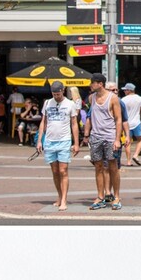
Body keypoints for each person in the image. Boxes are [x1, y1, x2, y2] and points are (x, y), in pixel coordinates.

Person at [35, 81, 80, 211]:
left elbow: (74, 124)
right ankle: (59, 196)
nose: (56, 96)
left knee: (63, 170)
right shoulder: (47, 103)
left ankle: (64, 200)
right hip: (49, 140)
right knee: (55, 171)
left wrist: (76, 143)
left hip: (64, 140)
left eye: (58, 94)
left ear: (63, 90)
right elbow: (43, 121)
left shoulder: (70, 104)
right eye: (54, 94)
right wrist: (39, 141)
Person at [83, 73, 123, 210]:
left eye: (92, 82)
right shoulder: (91, 98)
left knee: (113, 167)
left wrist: (117, 139)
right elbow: (90, 116)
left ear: (100, 84)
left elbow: (118, 119)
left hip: (110, 136)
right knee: (98, 166)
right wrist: (87, 134)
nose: (90, 85)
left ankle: (116, 196)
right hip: (96, 137)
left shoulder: (113, 98)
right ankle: (100, 196)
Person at [120, 83, 141, 166]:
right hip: (137, 122)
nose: (124, 91)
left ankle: (128, 161)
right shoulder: (139, 98)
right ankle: (136, 155)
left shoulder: (123, 99)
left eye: (125, 90)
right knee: (140, 140)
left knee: (127, 142)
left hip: (126, 123)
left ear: (129, 90)